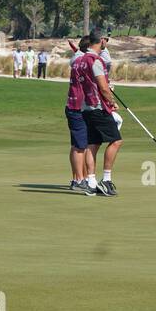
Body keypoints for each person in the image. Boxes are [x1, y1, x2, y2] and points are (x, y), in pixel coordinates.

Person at [83, 34, 123, 196]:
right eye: (105, 39)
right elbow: (103, 87)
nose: (106, 42)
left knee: (93, 144)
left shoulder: (81, 60)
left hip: (85, 107)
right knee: (116, 140)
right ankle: (106, 180)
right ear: (101, 40)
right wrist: (111, 101)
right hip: (98, 107)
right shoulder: (94, 60)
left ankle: (91, 182)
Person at [65, 36, 100, 196]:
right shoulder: (82, 60)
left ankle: (78, 179)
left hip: (77, 107)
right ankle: (79, 180)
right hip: (77, 107)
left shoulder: (78, 59)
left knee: (79, 145)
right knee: (80, 146)